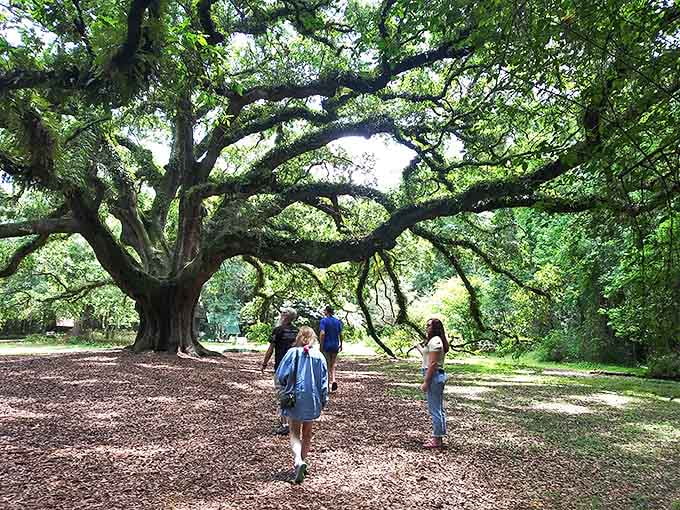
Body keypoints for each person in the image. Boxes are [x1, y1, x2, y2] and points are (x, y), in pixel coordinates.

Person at [275, 326, 328, 484]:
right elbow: (324, 383)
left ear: (299, 338)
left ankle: (298, 461)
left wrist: (283, 389)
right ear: (313, 339)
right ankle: (303, 460)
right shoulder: (319, 356)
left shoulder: (292, 353)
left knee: (294, 432)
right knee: (307, 432)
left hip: (294, 397)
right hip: (312, 399)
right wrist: (323, 400)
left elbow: (281, 375)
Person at [261, 308, 298, 435]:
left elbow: (271, 348)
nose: (281, 314)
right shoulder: (296, 331)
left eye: (283, 313)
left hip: (281, 367)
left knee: (281, 394)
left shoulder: (278, 330)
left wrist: (264, 363)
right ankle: (293, 421)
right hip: (295, 367)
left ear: (285, 317)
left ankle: (285, 424)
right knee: (292, 393)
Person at [415, 318, 449, 449]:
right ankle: (439, 435)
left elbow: (433, 364)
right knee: (438, 408)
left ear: (435, 328)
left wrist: (426, 382)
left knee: (435, 409)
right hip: (435, 375)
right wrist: (418, 347)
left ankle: (437, 439)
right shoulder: (435, 341)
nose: (426, 327)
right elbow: (427, 358)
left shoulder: (436, 341)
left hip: (434, 376)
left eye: (429, 325)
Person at [319, 305, 342, 392]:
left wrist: (321, 346)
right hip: (335, 345)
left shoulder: (323, 321)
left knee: (327, 365)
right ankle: (334, 381)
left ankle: (328, 387)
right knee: (333, 365)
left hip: (326, 346)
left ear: (327, 312)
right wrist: (341, 344)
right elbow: (340, 333)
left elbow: (322, 333)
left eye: (324, 311)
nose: (323, 312)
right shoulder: (337, 321)